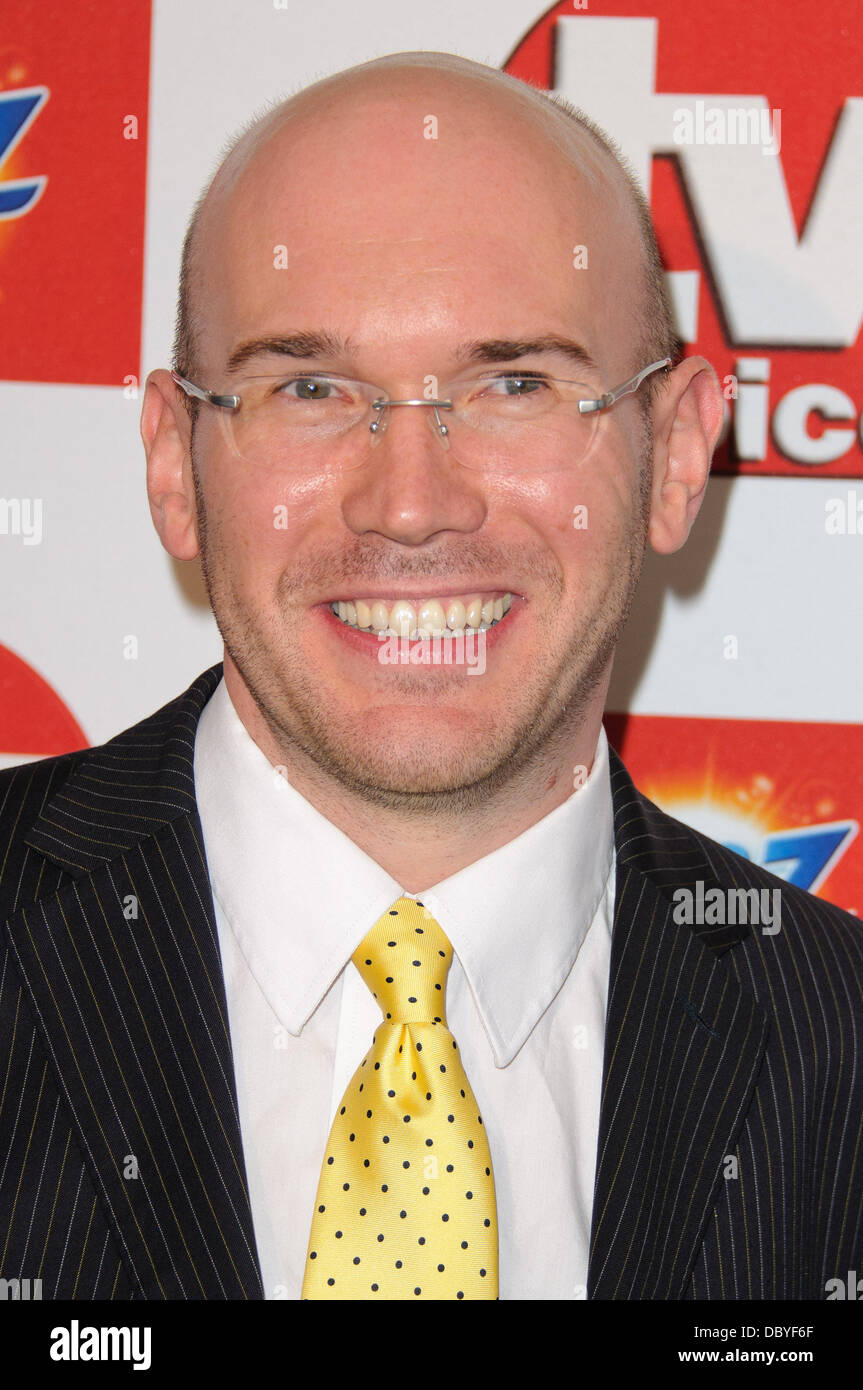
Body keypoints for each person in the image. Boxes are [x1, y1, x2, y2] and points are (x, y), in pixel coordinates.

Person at [0, 50, 859, 1302]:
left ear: (673, 455)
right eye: (308, 387)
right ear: (175, 464)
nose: (409, 504)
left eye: (513, 383)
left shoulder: (839, 1057)